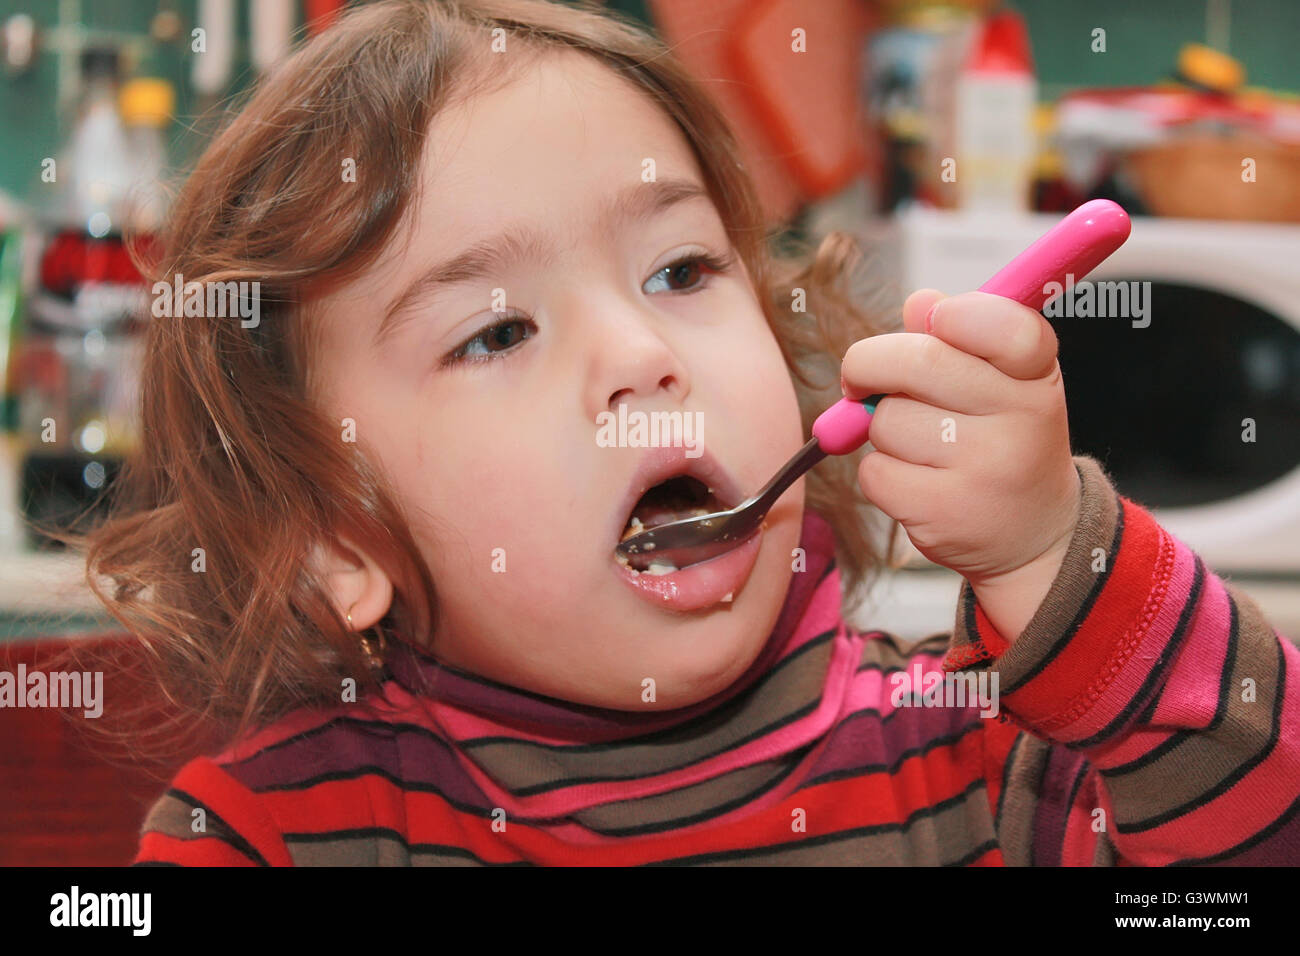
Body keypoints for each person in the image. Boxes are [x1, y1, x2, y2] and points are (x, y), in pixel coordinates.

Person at [88, 0, 1297, 865]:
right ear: (334, 539)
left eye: (678, 269)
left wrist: (1051, 554)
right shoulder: (258, 837)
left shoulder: (991, 754)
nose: (637, 353)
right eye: (498, 331)